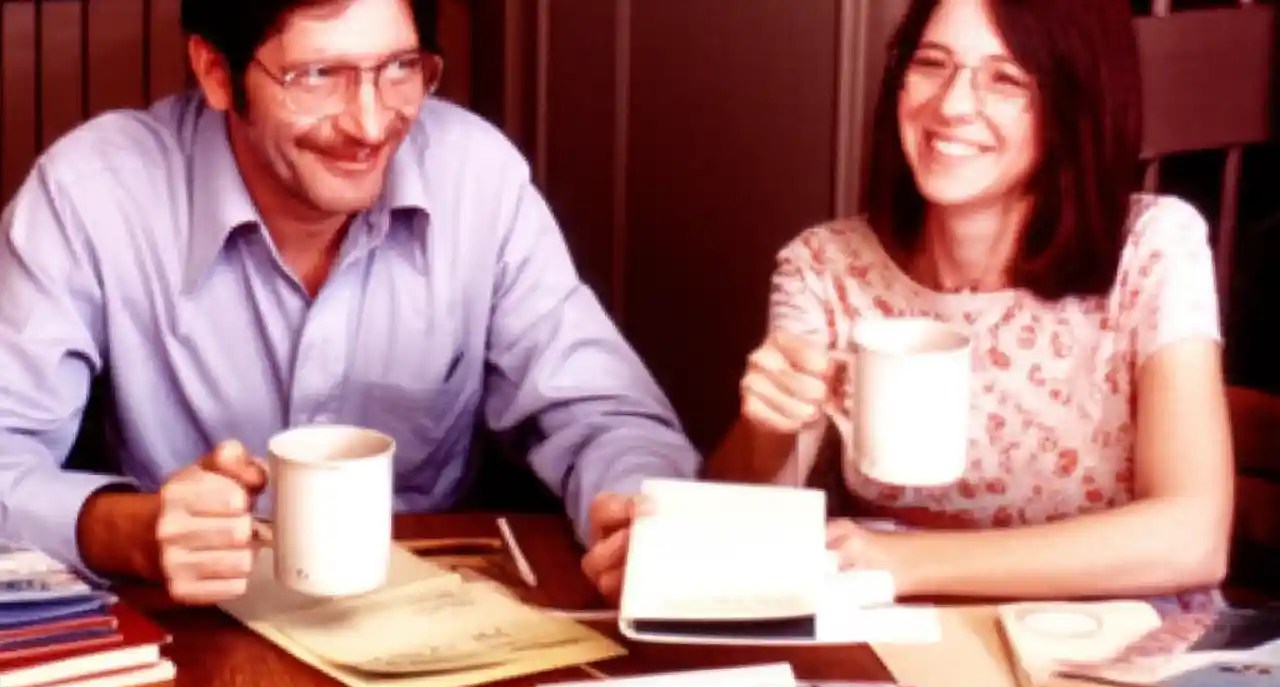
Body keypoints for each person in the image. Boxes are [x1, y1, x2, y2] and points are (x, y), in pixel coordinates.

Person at [0, 0, 697, 604]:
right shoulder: (92, 193)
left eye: (400, 68)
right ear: (216, 72)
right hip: (186, 636)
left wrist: (640, 512)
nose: (370, 126)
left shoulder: (476, 178)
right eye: (318, 76)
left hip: (431, 635)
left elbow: (604, 415)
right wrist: (130, 531)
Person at [706, 0, 1233, 605]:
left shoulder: (1153, 246)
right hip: (904, 646)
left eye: (1005, 79)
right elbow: (736, 531)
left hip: (1120, 656)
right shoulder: (825, 266)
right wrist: (764, 430)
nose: (952, 105)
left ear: (1074, 103)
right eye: (932, 64)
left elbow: (1194, 539)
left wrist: (908, 562)